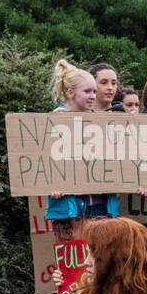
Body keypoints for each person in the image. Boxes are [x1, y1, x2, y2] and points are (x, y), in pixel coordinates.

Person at [45, 59, 118, 232]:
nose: (93, 96)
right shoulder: (51, 123)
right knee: (75, 260)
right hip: (69, 211)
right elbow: (44, 162)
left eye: (94, 91)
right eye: (87, 91)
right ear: (70, 93)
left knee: (102, 259)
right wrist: (50, 184)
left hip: (102, 209)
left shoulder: (104, 123)